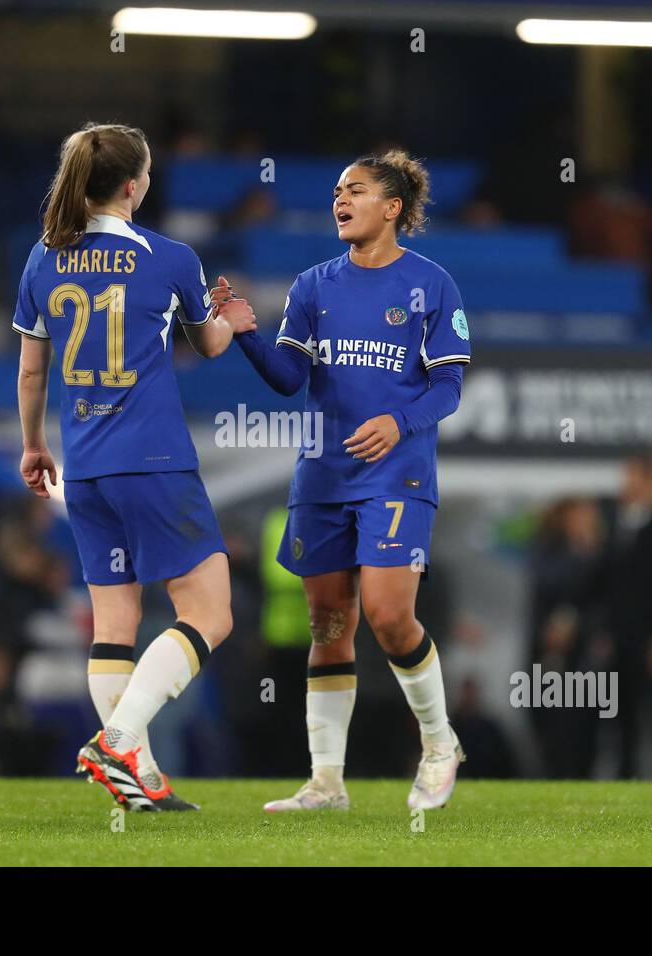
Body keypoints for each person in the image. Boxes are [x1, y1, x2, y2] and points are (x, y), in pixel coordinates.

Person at [12, 122, 252, 811]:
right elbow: (208, 344)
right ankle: (118, 739)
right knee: (210, 610)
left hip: (83, 467)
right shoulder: (169, 256)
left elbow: (32, 370)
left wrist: (34, 445)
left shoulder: (43, 258)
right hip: (153, 460)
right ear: (132, 184)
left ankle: (138, 780)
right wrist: (231, 318)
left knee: (114, 623)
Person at [229, 150, 471, 811]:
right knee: (330, 623)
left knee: (391, 618)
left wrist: (398, 421)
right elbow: (287, 379)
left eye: (355, 190)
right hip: (322, 475)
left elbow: (449, 386)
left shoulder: (430, 284)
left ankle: (438, 742)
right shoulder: (313, 285)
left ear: (391, 208)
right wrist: (249, 336)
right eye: (337, 190)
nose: (340, 199)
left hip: (397, 474)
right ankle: (327, 782)